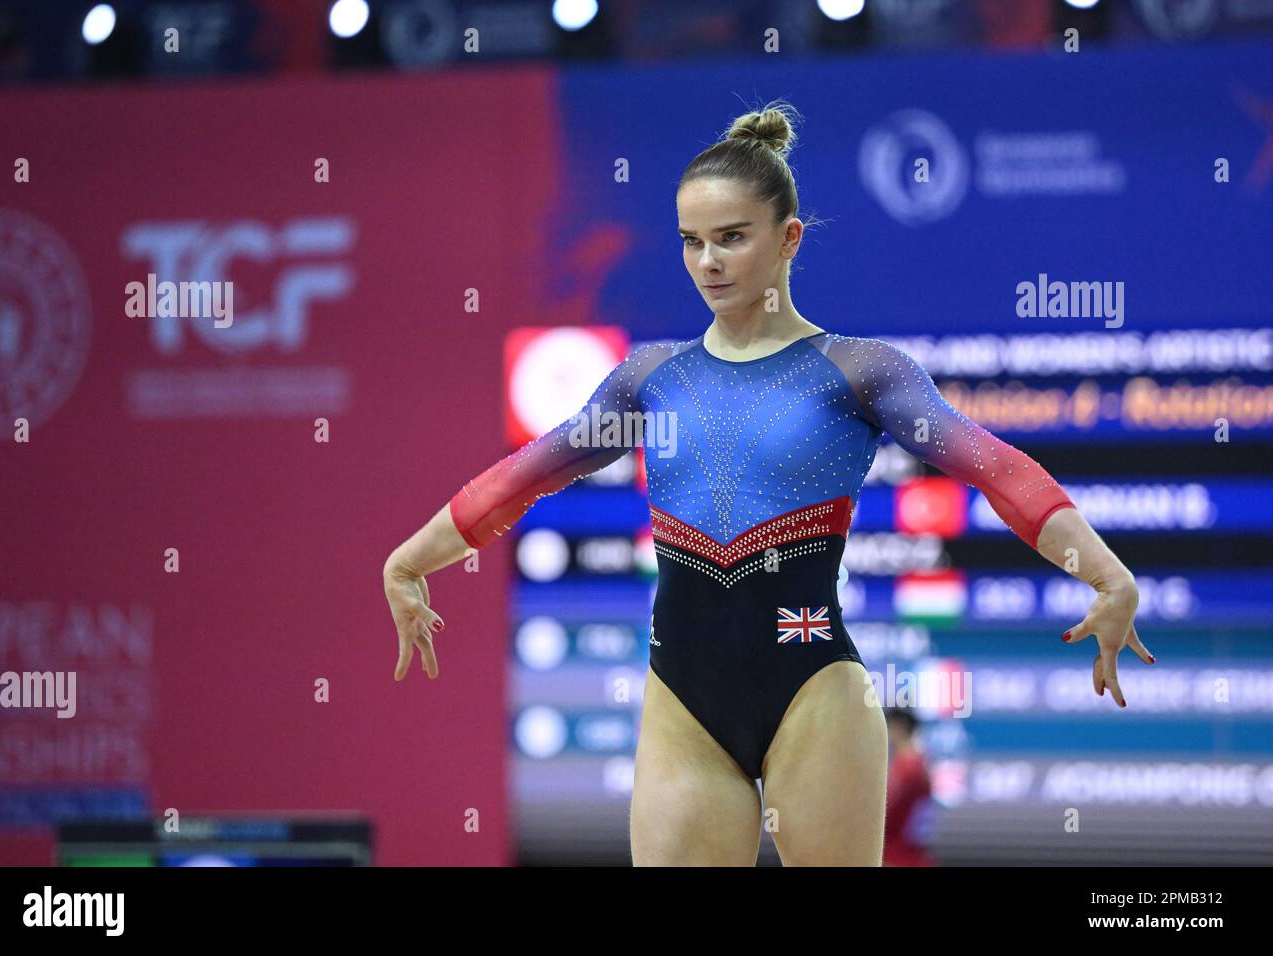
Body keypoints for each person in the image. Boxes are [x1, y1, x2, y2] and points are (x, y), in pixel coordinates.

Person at [381, 99, 1153, 866]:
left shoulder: (860, 371)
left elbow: (996, 469)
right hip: (683, 699)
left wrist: (1108, 575)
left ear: (788, 239)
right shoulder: (650, 377)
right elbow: (525, 478)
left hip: (812, 685)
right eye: (691, 242)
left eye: (731, 239)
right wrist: (409, 561)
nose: (708, 262)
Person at [883, 707, 936, 867]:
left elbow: (888, 815)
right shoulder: (917, 763)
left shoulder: (908, 769)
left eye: (888, 726)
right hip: (908, 853)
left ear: (899, 726)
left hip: (899, 856)